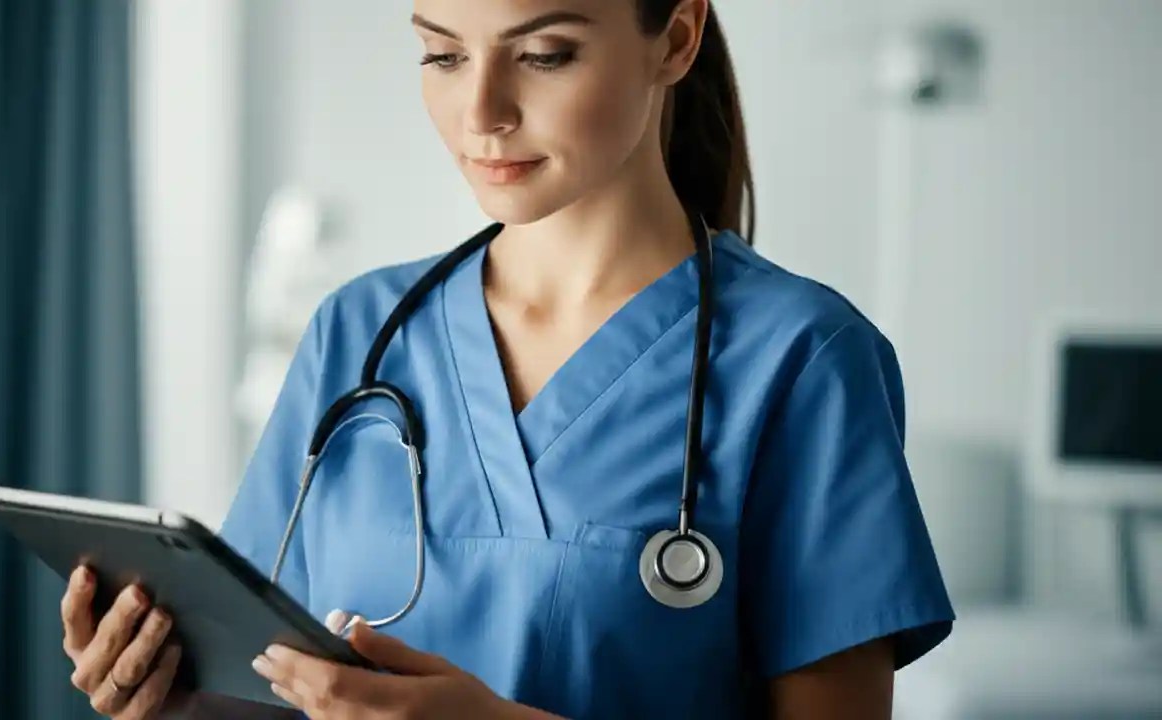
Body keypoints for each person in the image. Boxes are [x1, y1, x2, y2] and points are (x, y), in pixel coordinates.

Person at [59, 0, 955, 717]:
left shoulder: (801, 359)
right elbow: (275, 685)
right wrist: (171, 696)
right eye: (443, 55)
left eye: (544, 54)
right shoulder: (360, 331)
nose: (481, 112)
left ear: (676, 39)